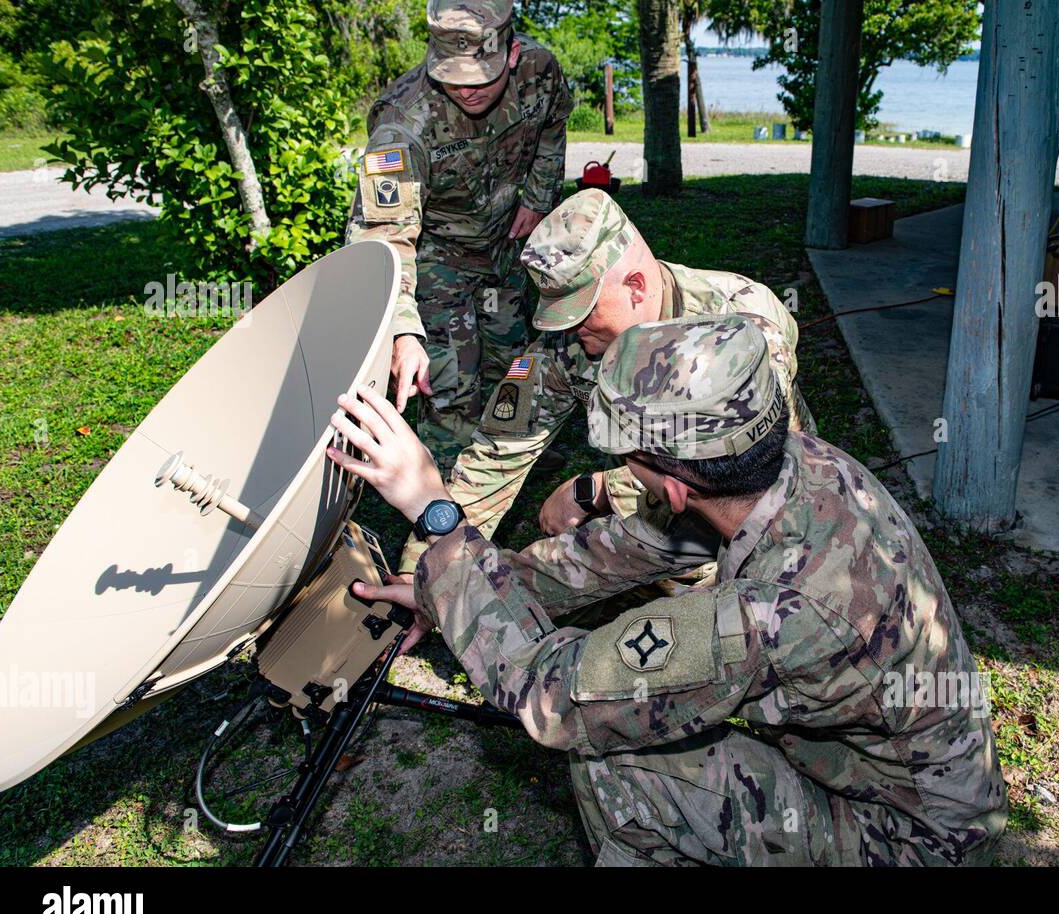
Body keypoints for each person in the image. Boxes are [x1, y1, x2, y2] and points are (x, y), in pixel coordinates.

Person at [328, 316, 1008, 866]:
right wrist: (455, 584)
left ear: (677, 486)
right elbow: (610, 555)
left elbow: (554, 696)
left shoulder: (766, 620)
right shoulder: (795, 461)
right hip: (904, 781)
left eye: (629, 454)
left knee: (616, 760)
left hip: (913, 842)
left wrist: (437, 516)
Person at [397, 186, 817, 572]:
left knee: (742, 575)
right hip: (659, 489)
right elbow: (495, 455)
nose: (568, 330)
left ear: (636, 285)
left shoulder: (742, 328)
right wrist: (425, 569)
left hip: (765, 501)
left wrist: (595, 491)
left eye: (581, 311)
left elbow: (754, 477)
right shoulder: (567, 346)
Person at [345, 0, 571, 474]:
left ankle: (515, 448)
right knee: (449, 380)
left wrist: (537, 196)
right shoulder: (401, 122)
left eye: (481, 76)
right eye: (453, 76)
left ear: (511, 54)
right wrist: (402, 331)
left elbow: (553, 126)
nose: (467, 90)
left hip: (506, 246)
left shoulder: (539, 70)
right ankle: (444, 487)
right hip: (437, 260)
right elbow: (381, 240)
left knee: (515, 356)